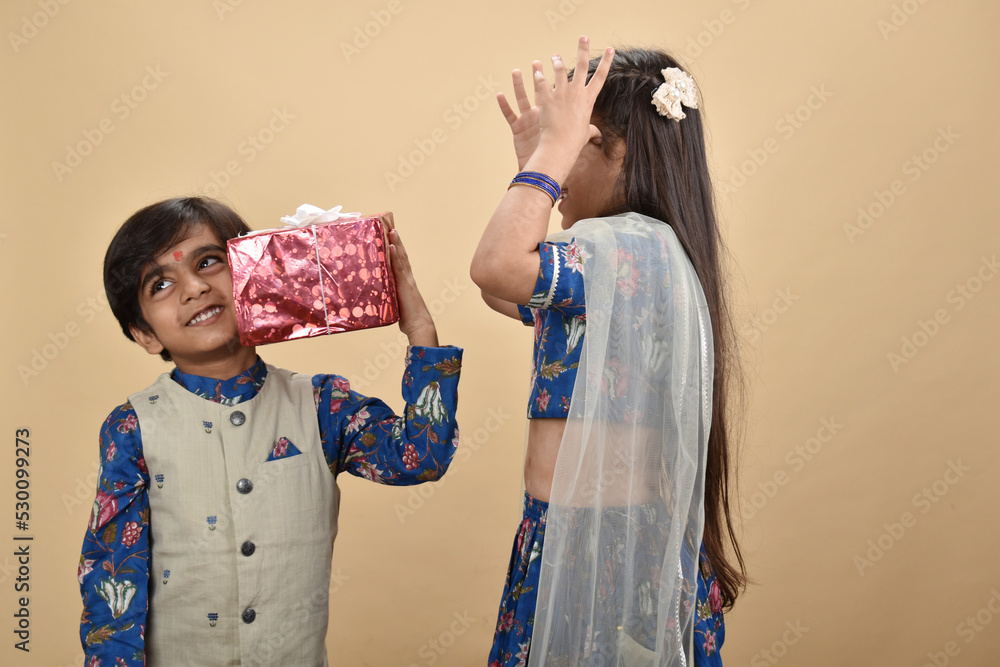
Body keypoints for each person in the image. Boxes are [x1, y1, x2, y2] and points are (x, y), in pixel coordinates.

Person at [78, 197, 462, 665]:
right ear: (145, 334)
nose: (195, 287)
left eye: (210, 261)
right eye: (160, 284)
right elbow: (113, 576)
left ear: (253, 272)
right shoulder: (133, 426)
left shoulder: (322, 407)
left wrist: (419, 326)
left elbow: (420, 458)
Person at [471, 37, 745, 665]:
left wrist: (545, 157)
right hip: (560, 533)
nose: (558, 174)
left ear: (612, 148)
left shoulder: (627, 246)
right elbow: (506, 294)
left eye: (572, 147)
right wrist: (538, 162)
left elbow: (494, 268)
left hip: (606, 550)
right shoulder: (618, 260)